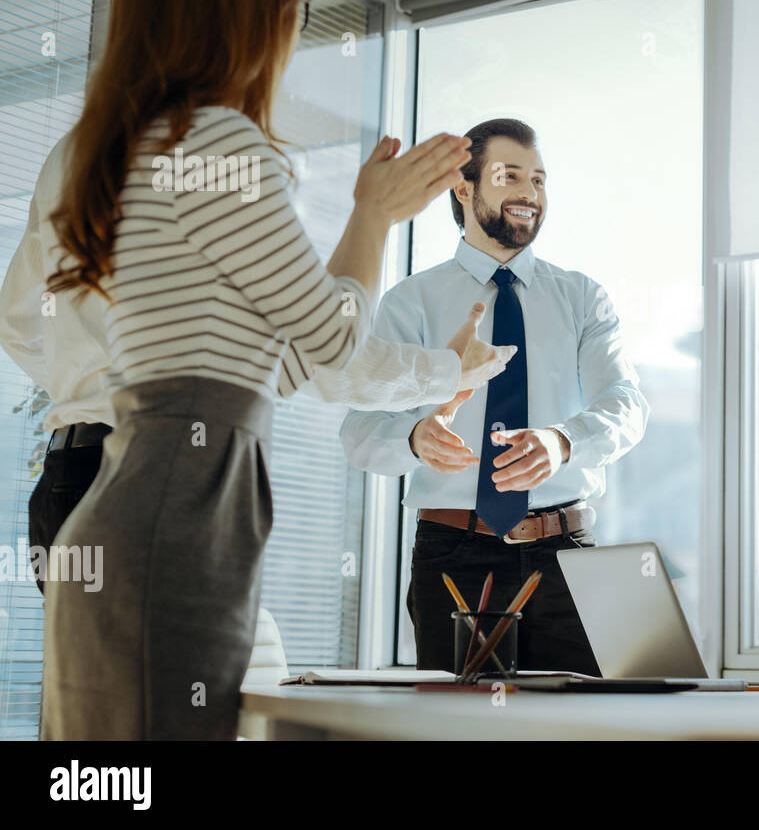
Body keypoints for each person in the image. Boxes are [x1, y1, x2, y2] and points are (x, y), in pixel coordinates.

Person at [37, 0, 476, 740]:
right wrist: (384, 242)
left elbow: (278, 364)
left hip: (137, 514)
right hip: (179, 520)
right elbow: (333, 341)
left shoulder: (138, 148)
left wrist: (375, 235)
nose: (293, 37)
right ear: (248, 18)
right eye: (295, 12)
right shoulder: (223, 146)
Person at [0, 138, 514, 597]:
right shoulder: (218, 148)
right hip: (159, 487)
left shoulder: (77, 150)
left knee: (90, 699)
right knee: (170, 701)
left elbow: (17, 324)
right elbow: (319, 351)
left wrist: (93, 396)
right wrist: (450, 368)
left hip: (68, 481)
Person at [340, 118, 649, 676]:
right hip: (453, 554)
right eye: (510, 176)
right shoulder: (411, 301)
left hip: (566, 553)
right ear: (465, 188)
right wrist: (413, 438)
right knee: (458, 732)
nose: (529, 193)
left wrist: (562, 441)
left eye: (539, 179)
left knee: (580, 730)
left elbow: (626, 404)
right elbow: (359, 435)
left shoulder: (582, 297)